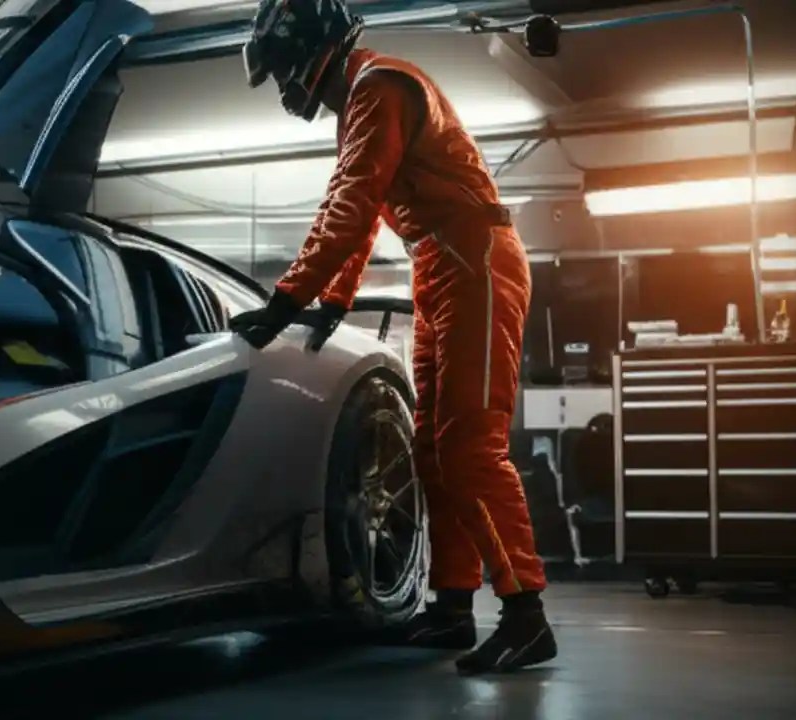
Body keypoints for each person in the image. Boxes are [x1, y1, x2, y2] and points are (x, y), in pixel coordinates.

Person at [231, 0, 556, 676]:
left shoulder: (378, 86)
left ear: (311, 47)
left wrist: (286, 300)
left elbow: (351, 206)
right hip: (439, 262)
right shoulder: (361, 101)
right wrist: (331, 300)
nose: (284, 84)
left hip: (475, 258)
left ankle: (526, 616)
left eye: (284, 67)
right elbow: (362, 208)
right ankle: (453, 605)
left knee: (470, 445)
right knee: (432, 449)